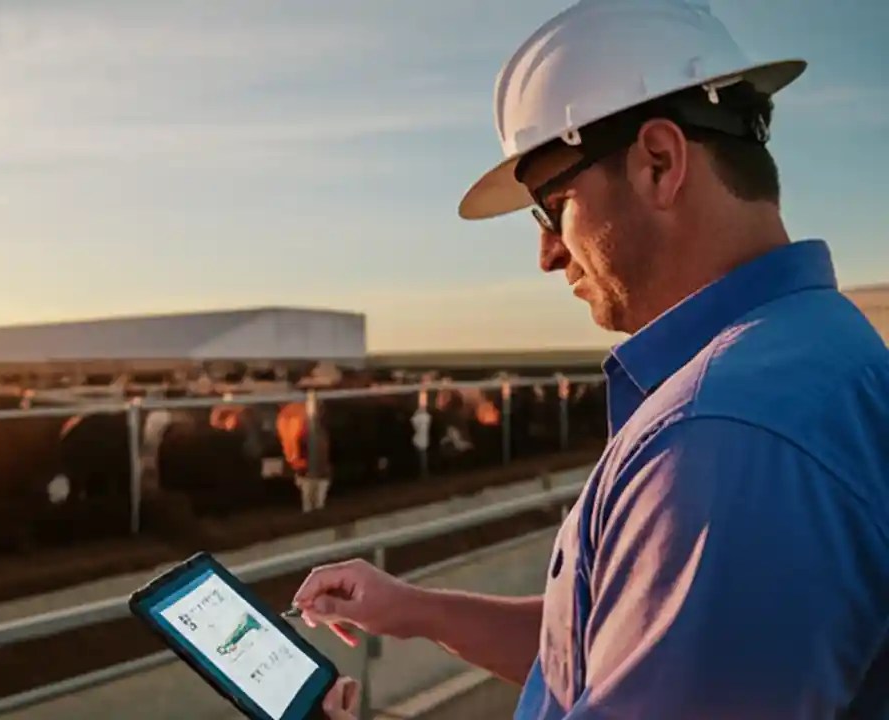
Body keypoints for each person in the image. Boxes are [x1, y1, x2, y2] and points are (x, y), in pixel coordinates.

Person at [295, 1, 889, 718]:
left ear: (659, 163)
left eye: (553, 205)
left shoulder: (721, 435)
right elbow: (615, 652)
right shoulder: (810, 349)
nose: (547, 253)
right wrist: (419, 610)